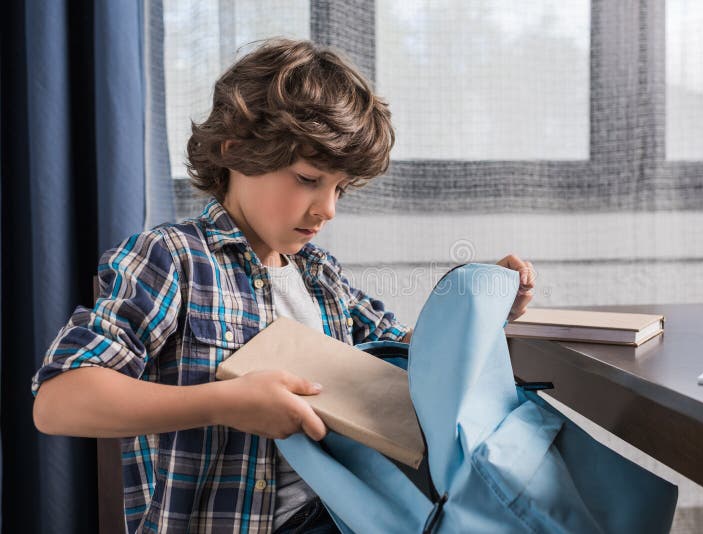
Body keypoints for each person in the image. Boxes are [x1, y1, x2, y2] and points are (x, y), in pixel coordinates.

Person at [31, 37, 535, 533]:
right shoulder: (173, 259)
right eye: (308, 179)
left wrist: (479, 310)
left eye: (340, 188)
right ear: (234, 150)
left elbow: (408, 361)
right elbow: (59, 401)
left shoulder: (322, 276)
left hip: (345, 515)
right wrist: (225, 403)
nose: (327, 209)